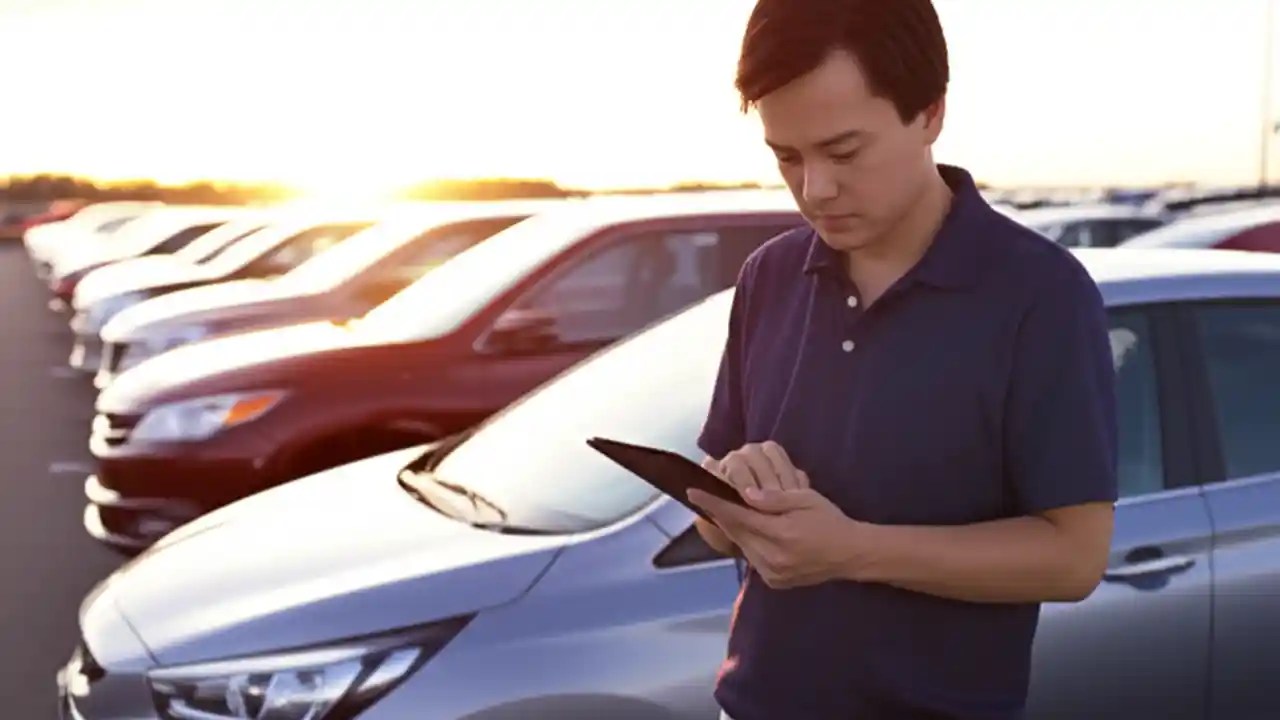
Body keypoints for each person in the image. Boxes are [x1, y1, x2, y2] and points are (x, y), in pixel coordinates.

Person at [686, 1, 1119, 718]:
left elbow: (1074, 559)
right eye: (786, 157)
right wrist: (732, 492)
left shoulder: (1040, 294)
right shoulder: (768, 276)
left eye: (844, 151)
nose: (814, 188)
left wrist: (852, 549)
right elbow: (706, 521)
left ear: (930, 113)